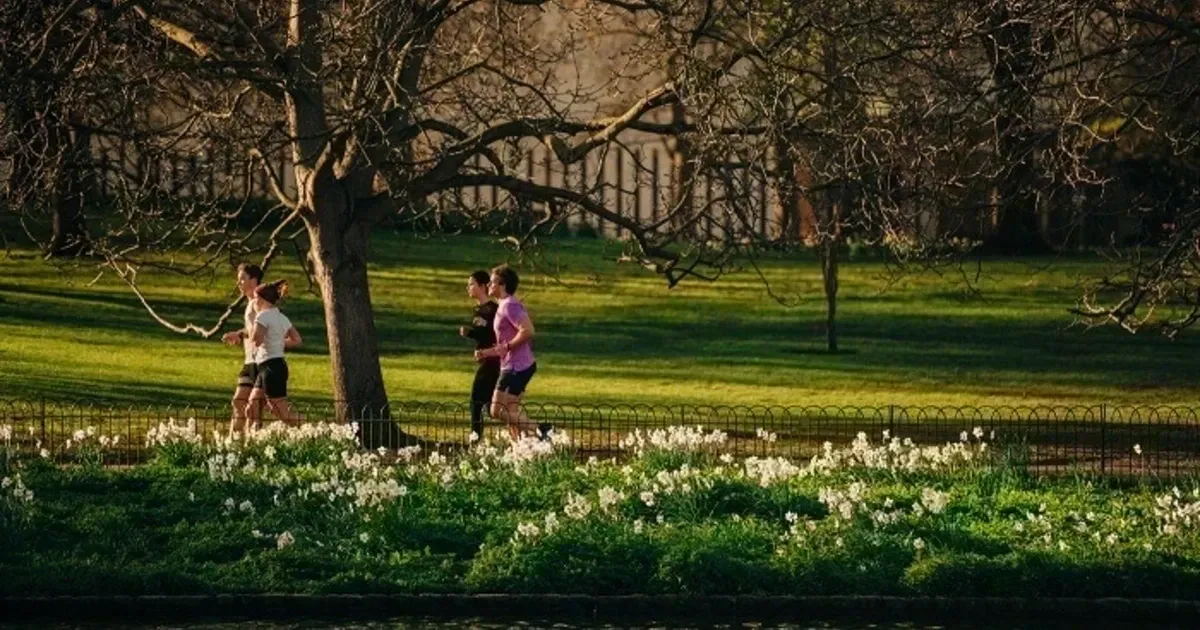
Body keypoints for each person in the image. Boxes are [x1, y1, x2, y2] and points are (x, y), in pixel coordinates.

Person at [475, 265, 546, 440]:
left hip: (516, 367)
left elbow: (528, 330)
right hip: (515, 365)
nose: (489, 285)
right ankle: (522, 449)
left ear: (502, 284)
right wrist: (486, 353)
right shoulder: (504, 305)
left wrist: (507, 347)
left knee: (496, 411)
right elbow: (504, 344)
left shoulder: (510, 306)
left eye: (492, 282)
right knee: (511, 412)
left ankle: (542, 429)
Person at [247, 279, 303, 428]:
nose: (253, 302)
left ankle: (310, 430)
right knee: (251, 408)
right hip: (272, 366)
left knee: (281, 412)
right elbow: (297, 340)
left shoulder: (262, 316)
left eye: (255, 298)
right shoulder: (282, 317)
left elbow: (256, 340)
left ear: (261, 299)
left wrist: (253, 323)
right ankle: (252, 441)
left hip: (271, 368)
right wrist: (277, 342)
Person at [221, 263, 263, 435]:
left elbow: (260, 330)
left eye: (242, 279)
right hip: (250, 361)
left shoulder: (258, 303)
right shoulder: (251, 304)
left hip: (260, 361)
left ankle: (249, 448)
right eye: (238, 280)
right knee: (239, 402)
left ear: (253, 280)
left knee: (252, 408)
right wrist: (240, 335)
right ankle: (234, 445)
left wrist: (239, 334)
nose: (239, 283)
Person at [460, 270, 500, 441]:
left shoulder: (492, 310)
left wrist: (469, 333)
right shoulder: (478, 310)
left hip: (493, 361)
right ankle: (531, 429)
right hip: (486, 359)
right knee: (495, 407)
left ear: (483, 286)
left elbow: (491, 335)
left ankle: (475, 439)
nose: (468, 287)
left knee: (476, 401)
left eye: (471, 284)